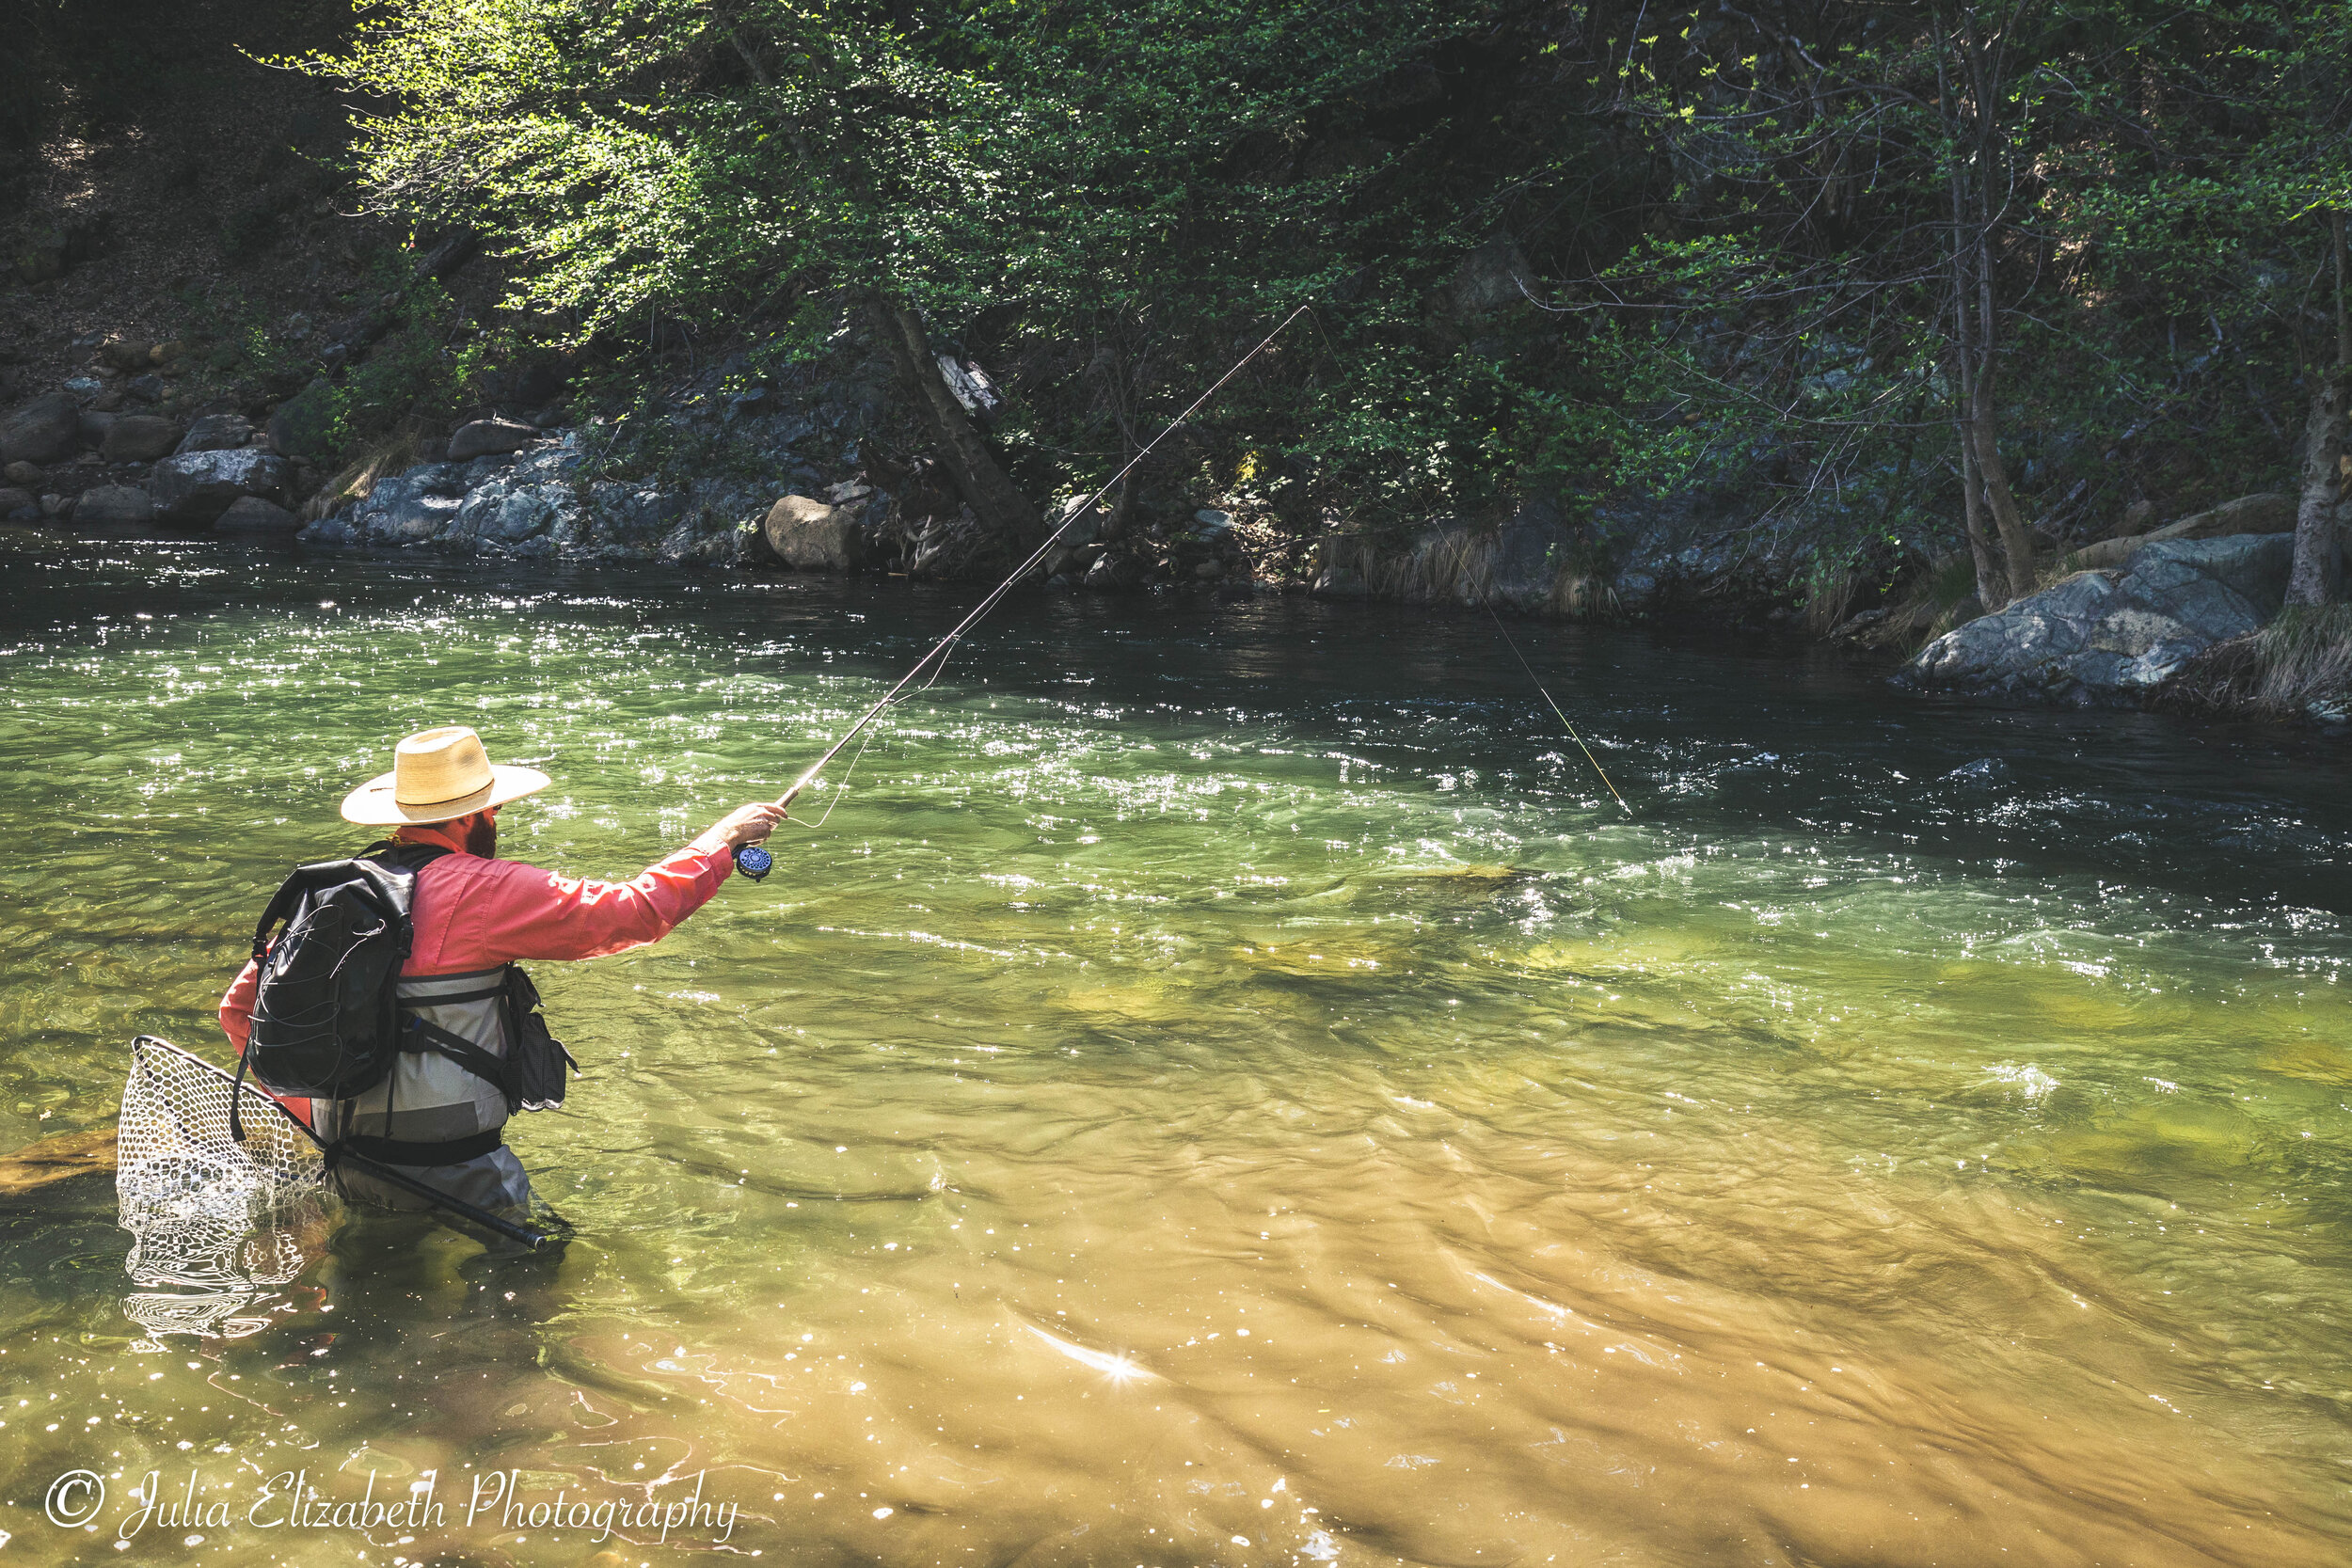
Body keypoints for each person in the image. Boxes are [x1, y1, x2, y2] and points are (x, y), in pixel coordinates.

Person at [218, 724, 787, 1220]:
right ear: (472, 816)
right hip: (461, 1169)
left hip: (350, 1164)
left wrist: (312, 1118)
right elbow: (629, 915)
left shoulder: (328, 892)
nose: (496, 821)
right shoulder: (483, 889)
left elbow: (239, 1011)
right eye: (493, 811)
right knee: (532, 1302)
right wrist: (722, 840)